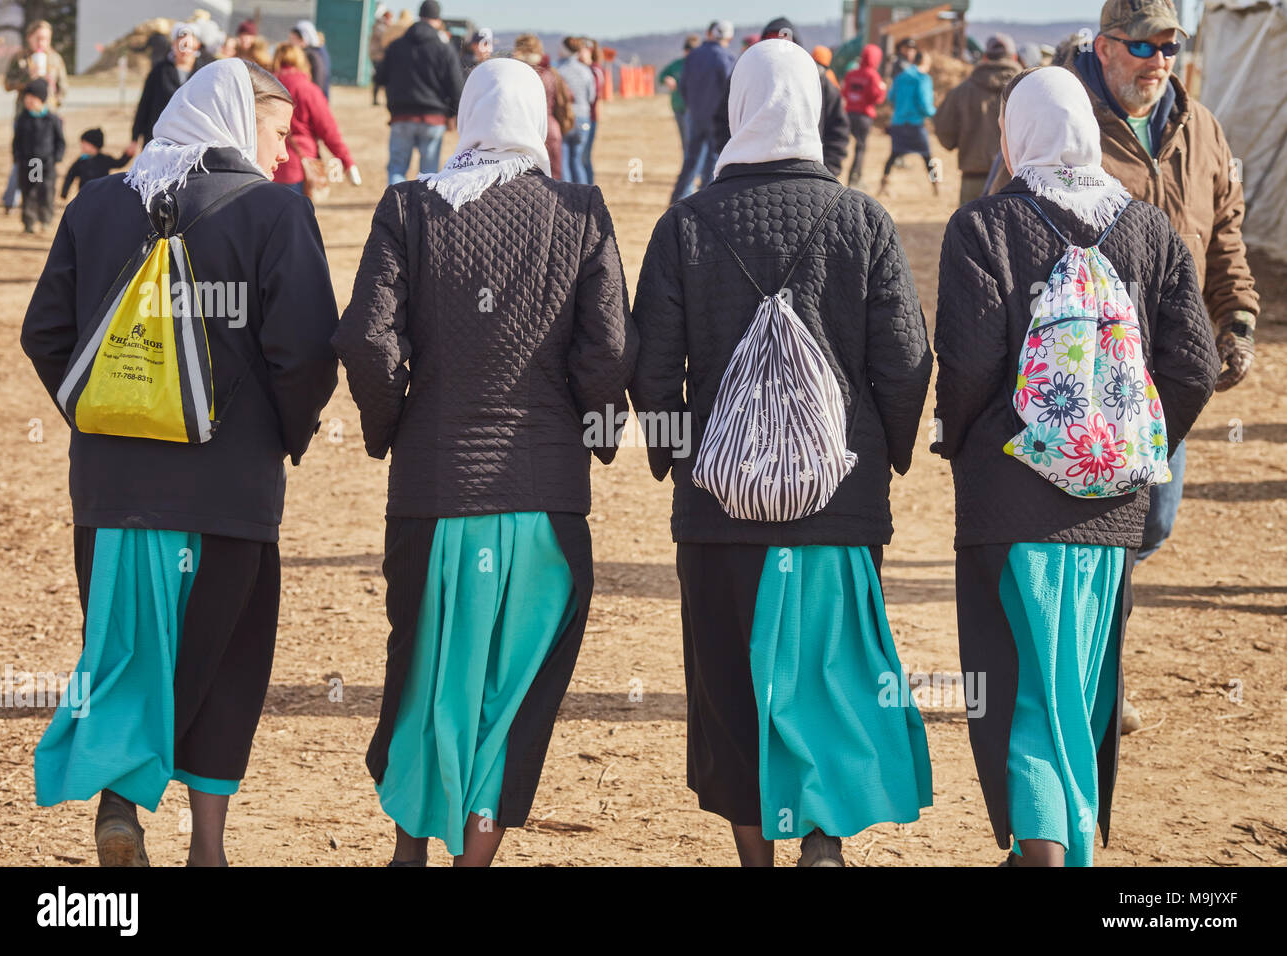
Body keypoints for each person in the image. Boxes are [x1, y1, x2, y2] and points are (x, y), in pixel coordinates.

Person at [22, 57, 340, 868]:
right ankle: (208, 847)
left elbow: (45, 332)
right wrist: (284, 436)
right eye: (278, 130)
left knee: (126, 651)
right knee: (226, 661)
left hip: (112, 493)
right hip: (229, 493)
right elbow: (306, 353)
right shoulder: (275, 211)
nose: (283, 149)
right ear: (240, 118)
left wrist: (104, 414)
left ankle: (121, 801)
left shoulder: (97, 204)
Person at [631, 39, 933, 868]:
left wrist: (679, 461)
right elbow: (906, 359)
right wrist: (882, 458)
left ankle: (756, 857)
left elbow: (650, 369)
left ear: (737, 108)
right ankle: (823, 842)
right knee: (832, 680)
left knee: (734, 688)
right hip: (837, 509)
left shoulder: (685, 223)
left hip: (720, 512)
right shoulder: (863, 218)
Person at [334, 58, 636, 867]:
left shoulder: (409, 206)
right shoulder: (579, 210)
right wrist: (598, 435)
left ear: (466, 116)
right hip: (545, 501)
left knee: (428, 678)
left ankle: (408, 850)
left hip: (434, 492)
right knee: (514, 694)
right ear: (539, 121)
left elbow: (367, 339)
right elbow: (609, 350)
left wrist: (392, 429)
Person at [933, 66, 1219, 866]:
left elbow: (966, 365)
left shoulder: (982, 227)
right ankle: (1067, 848)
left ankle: (1045, 854)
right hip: (1111, 509)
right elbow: (1195, 367)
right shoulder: (1150, 229)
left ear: (1015, 137)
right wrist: (1128, 445)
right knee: (1079, 688)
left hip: (1008, 502)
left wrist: (965, 445)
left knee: (1023, 681)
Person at [986, 0, 1260, 734]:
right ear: (1104, 46)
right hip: (1079, 368)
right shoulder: (1061, 116)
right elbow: (1004, 224)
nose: (1158, 60)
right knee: (1090, 522)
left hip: (1165, 367)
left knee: (1152, 521)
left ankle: (1086, 654)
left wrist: (1235, 316)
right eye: (1142, 45)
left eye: (1169, 45)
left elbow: (1224, 232)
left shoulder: (1200, 129)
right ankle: (1085, 673)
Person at [710, 18, 849, 179]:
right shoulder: (744, 76)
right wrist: (731, 166)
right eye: (772, 41)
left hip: (805, 175)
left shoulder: (817, 81)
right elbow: (722, 121)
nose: (778, 47)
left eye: (785, 42)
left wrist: (827, 172)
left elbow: (838, 130)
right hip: (746, 173)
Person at [379, 0, 464, 183]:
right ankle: (424, 203)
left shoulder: (396, 46)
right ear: (438, 20)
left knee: (397, 170)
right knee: (429, 176)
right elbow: (456, 86)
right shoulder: (444, 49)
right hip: (433, 118)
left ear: (420, 16)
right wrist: (452, 115)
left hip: (401, 115)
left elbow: (380, 77)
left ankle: (395, 202)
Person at [934, 34, 1020, 205]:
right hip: (1014, 181)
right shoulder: (1026, 90)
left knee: (970, 223)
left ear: (985, 57)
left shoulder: (961, 91)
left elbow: (945, 134)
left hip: (973, 179)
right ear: (1014, 57)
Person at [271, 43, 361, 195]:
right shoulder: (308, 89)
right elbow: (328, 130)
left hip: (267, 165)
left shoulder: (265, 87)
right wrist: (347, 162)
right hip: (298, 167)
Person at [3, 19, 68, 213]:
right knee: (22, 159)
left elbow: (64, 88)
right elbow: (7, 84)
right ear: (29, 37)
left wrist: (54, 99)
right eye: (38, 38)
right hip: (24, 117)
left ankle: (40, 202)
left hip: (48, 118)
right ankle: (12, 199)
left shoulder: (55, 59)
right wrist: (27, 79)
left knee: (43, 161)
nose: (42, 42)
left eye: (46, 38)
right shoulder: (20, 58)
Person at [669, 19, 734, 202]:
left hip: (695, 116)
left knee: (691, 159)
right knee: (713, 162)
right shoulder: (727, 58)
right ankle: (705, 201)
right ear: (729, 37)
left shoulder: (693, 55)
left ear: (710, 33)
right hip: (717, 119)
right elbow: (730, 91)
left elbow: (683, 86)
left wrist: (693, 107)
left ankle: (677, 200)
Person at [129, 23, 200, 157]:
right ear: (173, 45)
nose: (184, 50)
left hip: (192, 141)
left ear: (196, 45)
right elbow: (145, 104)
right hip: (160, 140)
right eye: (181, 45)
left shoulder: (204, 72)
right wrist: (134, 138)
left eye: (188, 45)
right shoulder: (159, 71)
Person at [880, 50, 936, 196]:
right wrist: (933, 113)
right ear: (924, 63)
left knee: (893, 155)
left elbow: (891, 97)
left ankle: (883, 183)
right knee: (928, 156)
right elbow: (925, 103)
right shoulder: (923, 78)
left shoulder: (900, 77)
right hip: (915, 123)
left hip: (898, 122)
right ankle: (935, 186)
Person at [13, 78, 64, 234]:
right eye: (26, 99)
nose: (28, 102)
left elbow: (60, 141)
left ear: (41, 99)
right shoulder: (22, 119)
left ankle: (45, 220)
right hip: (28, 163)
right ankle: (29, 222)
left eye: (32, 99)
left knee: (46, 192)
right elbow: (16, 141)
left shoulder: (52, 119)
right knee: (29, 192)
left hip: (46, 164)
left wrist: (56, 157)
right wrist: (18, 157)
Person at [512, 34, 567, 179]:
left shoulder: (522, 73)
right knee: (554, 180)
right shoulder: (551, 72)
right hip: (552, 128)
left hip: (529, 131)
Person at [841, 43, 886, 188]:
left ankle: (840, 174)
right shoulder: (873, 76)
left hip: (849, 114)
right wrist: (883, 89)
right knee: (860, 148)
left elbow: (844, 92)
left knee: (843, 145)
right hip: (864, 117)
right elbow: (877, 98)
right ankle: (855, 178)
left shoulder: (851, 74)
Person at [557, 37, 595, 184]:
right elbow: (591, 96)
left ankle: (566, 194)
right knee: (578, 160)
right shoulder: (585, 71)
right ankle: (583, 194)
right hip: (583, 118)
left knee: (564, 162)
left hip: (565, 118)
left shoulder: (558, 70)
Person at [60, 128, 131, 199]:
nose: (82, 145)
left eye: (85, 143)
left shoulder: (105, 159)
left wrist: (127, 155)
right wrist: (64, 192)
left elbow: (119, 163)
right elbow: (70, 175)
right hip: (84, 195)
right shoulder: (81, 161)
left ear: (93, 145)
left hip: (102, 194)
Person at [658, 35, 700, 157]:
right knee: (684, 139)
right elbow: (661, 76)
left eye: (691, 49)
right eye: (686, 49)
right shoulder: (676, 65)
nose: (687, 52)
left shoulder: (700, 66)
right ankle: (687, 160)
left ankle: (691, 161)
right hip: (678, 106)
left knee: (691, 139)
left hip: (693, 108)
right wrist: (666, 79)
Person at [291, 20, 331, 101]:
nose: (291, 42)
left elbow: (318, 82)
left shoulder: (313, 55)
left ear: (303, 39)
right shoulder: (315, 52)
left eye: (293, 39)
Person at [583, 38, 605, 184]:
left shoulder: (595, 70)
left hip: (590, 117)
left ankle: (589, 187)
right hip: (587, 116)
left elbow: (594, 94)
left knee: (585, 158)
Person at [370, 7, 394, 103]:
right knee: (379, 77)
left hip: (379, 55)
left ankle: (376, 99)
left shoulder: (381, 26)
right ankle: (375, 99)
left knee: (379, 77)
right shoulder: (380, 27)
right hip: (377, 56)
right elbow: (385, 39)